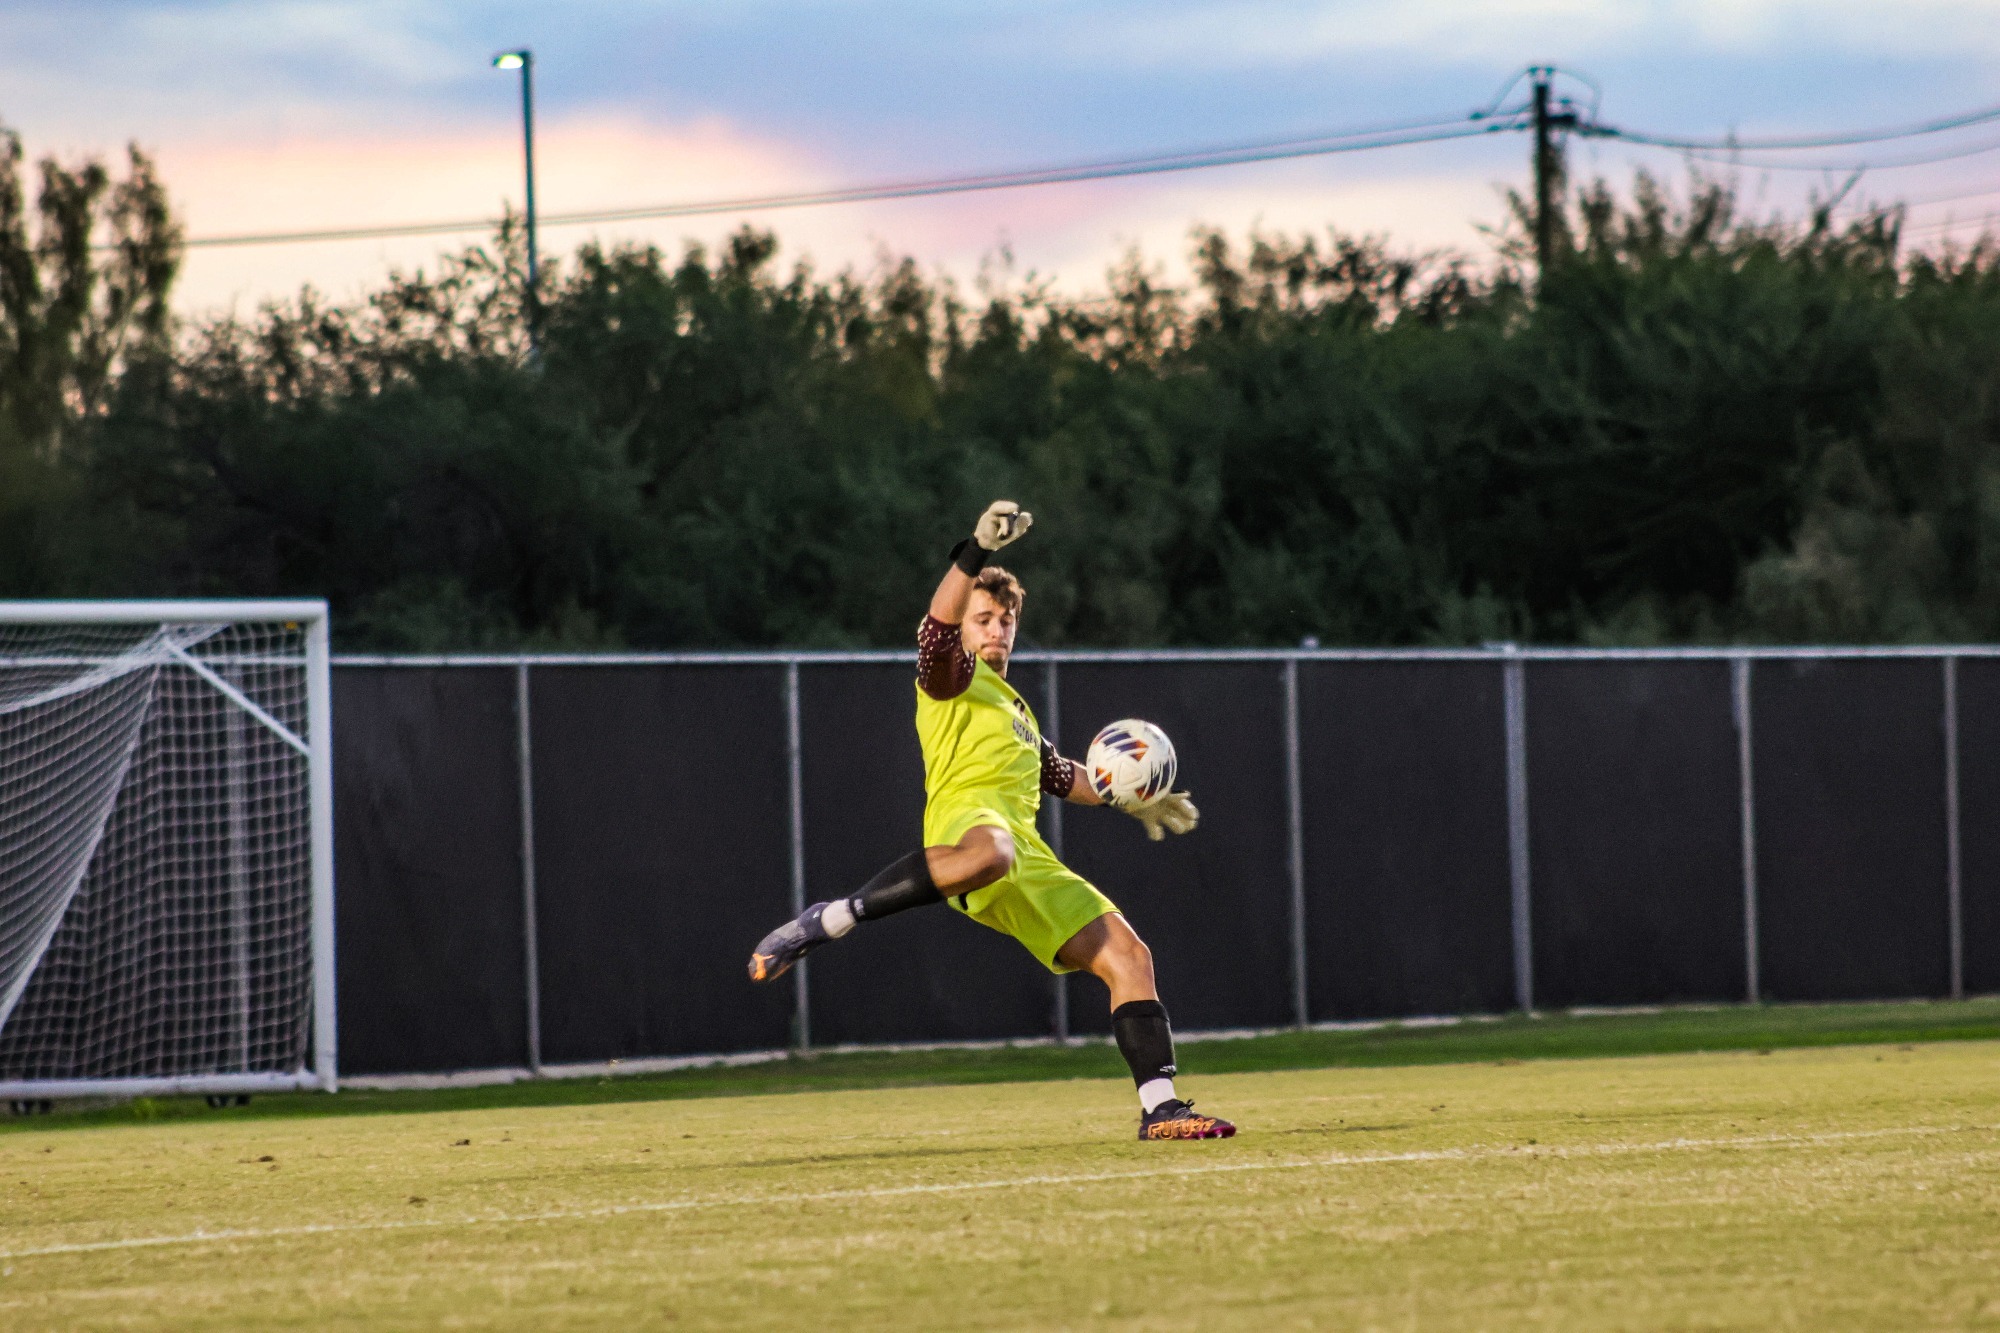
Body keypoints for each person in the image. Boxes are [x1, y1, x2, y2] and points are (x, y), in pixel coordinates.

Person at [749, 501, 1234, 1141]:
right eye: (984, 619)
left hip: (1026, 855)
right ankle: (831, 917)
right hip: (967, 827)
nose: (997, 630)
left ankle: (1161, 1110)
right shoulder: (951, 675)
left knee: (1128, 954)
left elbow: (1065, 778)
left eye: (1006, 620)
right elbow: (934, 629)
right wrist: (975, 552)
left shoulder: (1018, 712)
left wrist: (1130, 793)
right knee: (996, 849)